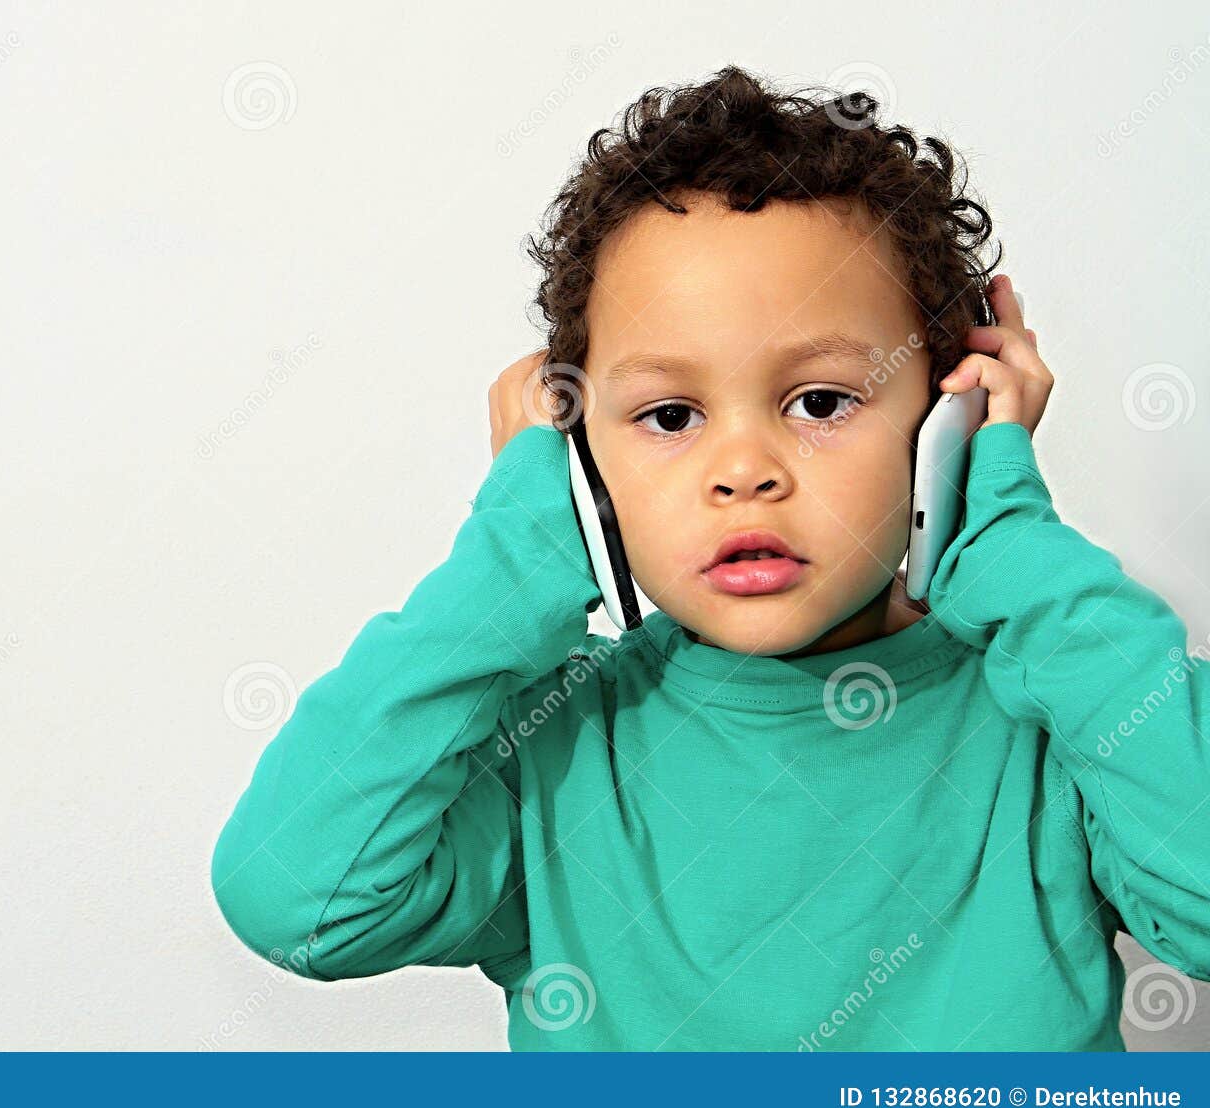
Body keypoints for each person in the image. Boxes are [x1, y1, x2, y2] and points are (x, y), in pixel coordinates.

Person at [211, 64, 1210, 1050]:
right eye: (669, 415)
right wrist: (510, 561)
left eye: (819, 402)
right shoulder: (557, 751)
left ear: (953, 402)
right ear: (580, 458)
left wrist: (1012, 543)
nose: (741, 471)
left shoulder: (1062, 714)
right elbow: (298, 897)